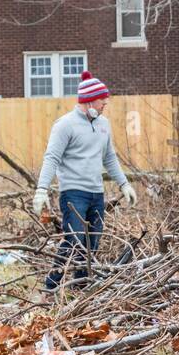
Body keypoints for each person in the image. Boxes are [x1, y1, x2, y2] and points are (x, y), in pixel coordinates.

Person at [33, 72, 137, 291]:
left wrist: (124, 184)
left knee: (92, 244)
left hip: (96, 194)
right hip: (73, 194)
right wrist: (42, 189)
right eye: (102, 100)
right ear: (89, 100)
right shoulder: (65, 125)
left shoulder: (103, 124)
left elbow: (109, 157)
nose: (105, 104)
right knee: (74, 240)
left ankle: (79, 288)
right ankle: (51, 286)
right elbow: (52, 157)